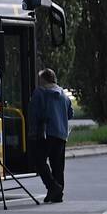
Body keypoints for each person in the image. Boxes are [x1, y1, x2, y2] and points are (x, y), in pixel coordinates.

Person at [28, 68, 73, 203]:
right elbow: (70, 114)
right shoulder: (64, 95)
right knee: (58, 165)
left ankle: (53, 187)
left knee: (39, 161)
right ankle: (57, 194)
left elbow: (34, 113)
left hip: (46, 133)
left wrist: (33, 131)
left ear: (43, 79)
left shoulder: (40, 93)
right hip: (62, 133)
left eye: (39, 79)